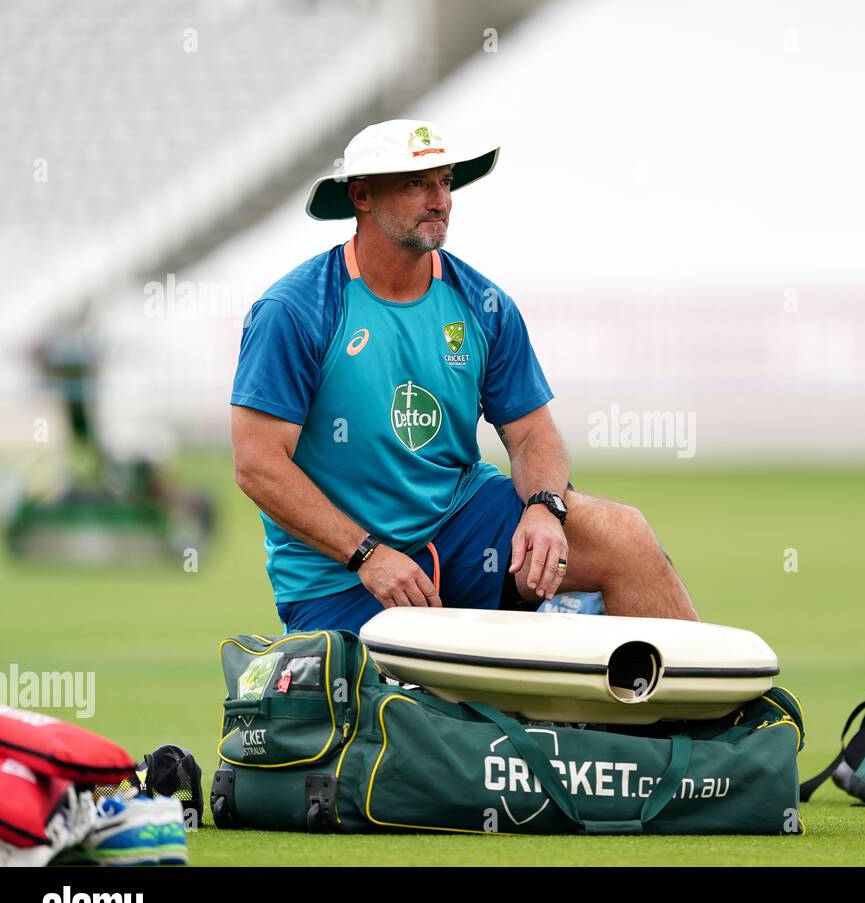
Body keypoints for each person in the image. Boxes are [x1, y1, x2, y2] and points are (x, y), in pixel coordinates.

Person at [229, 119, 699, 633]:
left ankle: (706, 709)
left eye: (445, 182)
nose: (440, 201)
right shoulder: (294, 310)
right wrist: (368, 555)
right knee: (404, 703)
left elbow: (531, 434)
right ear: (362, 195)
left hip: (462, 523)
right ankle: (564, 618)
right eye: (416, 184)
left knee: (624, 535)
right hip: (340, 575)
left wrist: (546, 507)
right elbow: (258, 465)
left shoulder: (484, 304)